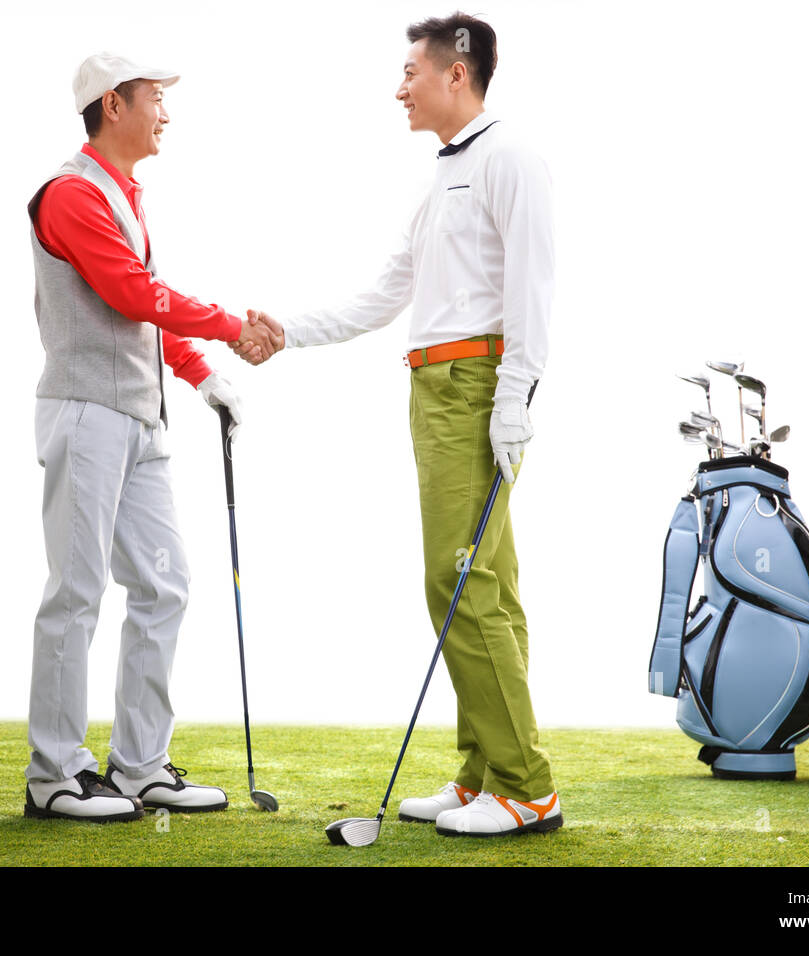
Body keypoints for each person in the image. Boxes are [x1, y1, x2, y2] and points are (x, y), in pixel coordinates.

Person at [238, 13, 562, 837]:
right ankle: (482, 770)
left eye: (409, 71)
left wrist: (515, 399)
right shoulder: (437, 178)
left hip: (476, 386)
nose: (399, 87)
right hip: (433, 388)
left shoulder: (510, 157)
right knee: (486, 585)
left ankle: (527, 789)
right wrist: (290, 330)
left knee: (457, 582)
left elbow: (533, 288)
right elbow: (386, 292)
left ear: (457, 72)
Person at [24, 52, 280, 823]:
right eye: (156, 98)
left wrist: (205, 376)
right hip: (86, 412)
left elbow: (143, 313)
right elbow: (134, 292)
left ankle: (138, 766)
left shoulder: (125, 194)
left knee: (164, 585)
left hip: (141, 422)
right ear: (113, 104)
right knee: (75, 594)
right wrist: (234, 326)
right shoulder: (71, 193)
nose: (166, 113)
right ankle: (55, 776)